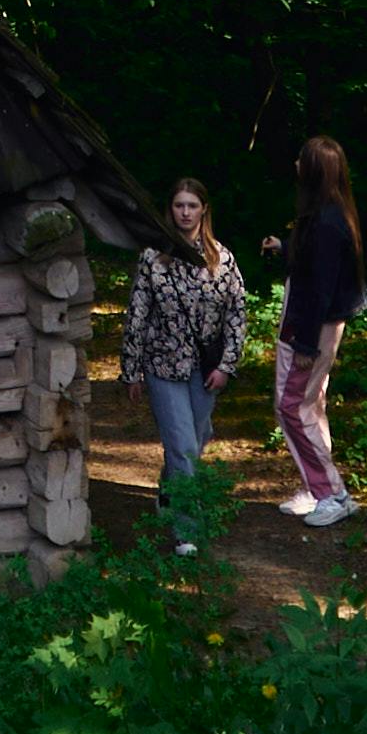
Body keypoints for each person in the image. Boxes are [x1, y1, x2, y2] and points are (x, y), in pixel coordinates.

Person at [122, 177, 248, 544]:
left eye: (192, 205)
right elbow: (137, 314)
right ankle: (187, 531)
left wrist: (227, 365)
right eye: (179, 205)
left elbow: (237, 313)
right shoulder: (153, 258)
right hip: (163, 365)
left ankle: (168, 489)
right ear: (170, 209)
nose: (186, 212)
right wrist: (131, 370)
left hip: (204, 368)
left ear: (203, 210)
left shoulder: (221, 259)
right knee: (182, 446)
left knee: (198, 437)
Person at [276, 136, 365, 525]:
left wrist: (306, 344)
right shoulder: (326, 215)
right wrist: (284, 251)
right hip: (313, 327)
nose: (295, 164)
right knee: (310, 406)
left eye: (301, 159)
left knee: (291, 407)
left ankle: (333, 493)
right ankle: (318, 489)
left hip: (311, 331)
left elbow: (320, 290)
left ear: (314, 170)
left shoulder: (328, 223)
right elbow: (314, 270)